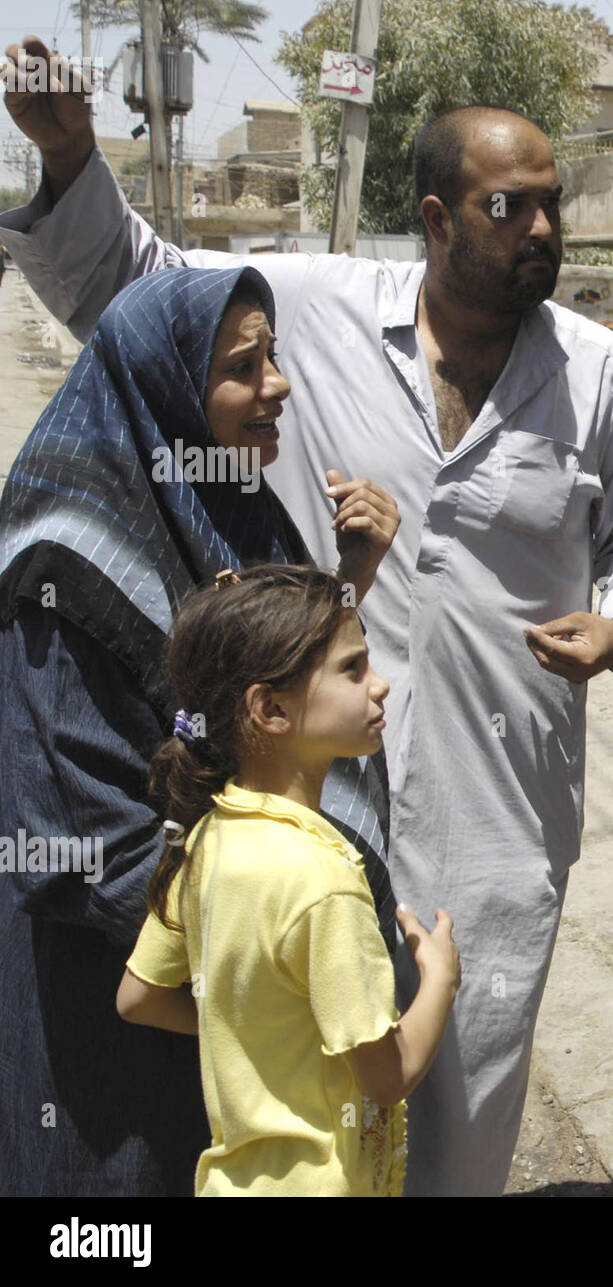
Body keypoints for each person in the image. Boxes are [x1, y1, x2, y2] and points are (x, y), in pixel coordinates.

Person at [0, 38, 613, 1195]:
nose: (541, 230)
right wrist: (74, 156)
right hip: (311, 791)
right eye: (506, 206)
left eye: (550, 206)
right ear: (434, 218)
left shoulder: (603, 378)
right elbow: (153, 304)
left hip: (499, 808)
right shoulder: (314, 312)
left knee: (462, 1105)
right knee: (310, 1090)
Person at [0, 265, 400, 1195]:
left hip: (214, 994)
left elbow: (260, 687)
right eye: (243, 365)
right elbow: (77, 834)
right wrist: (266, 942)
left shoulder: (222, 505)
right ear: (166, 387)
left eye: (276, 355)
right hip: (120, 1008)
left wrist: (347, 581)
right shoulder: (66, 564)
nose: (279, 383)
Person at [118, 566, 461, 1196]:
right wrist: (439, 980)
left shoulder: (204, 836)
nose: (380, 685)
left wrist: (263, 1028)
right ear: (271, 708)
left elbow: (138, 998)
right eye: (353, 669)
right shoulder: (324, 880)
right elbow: (388, 1077)